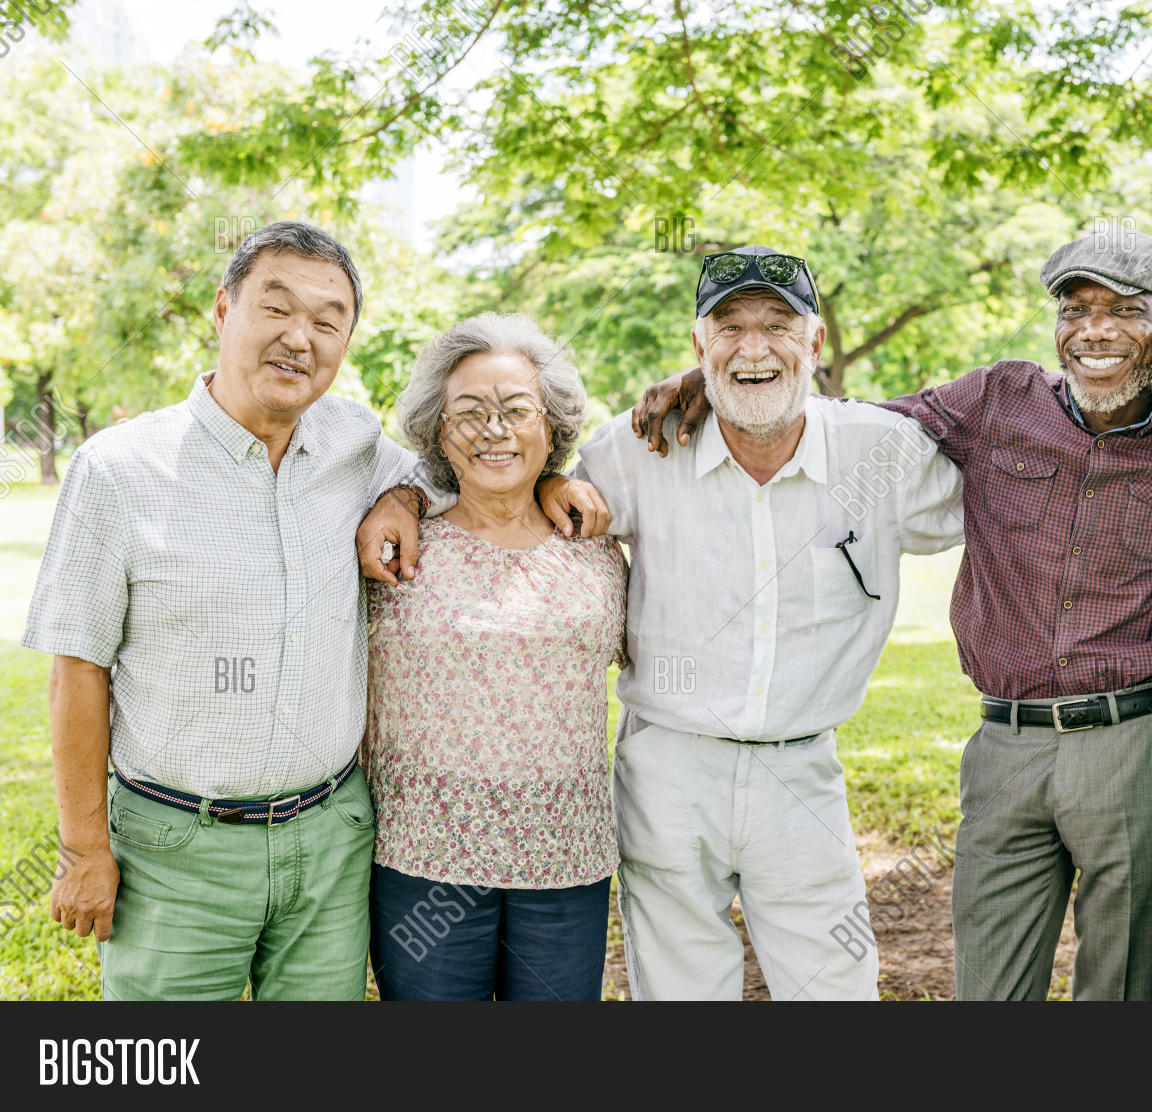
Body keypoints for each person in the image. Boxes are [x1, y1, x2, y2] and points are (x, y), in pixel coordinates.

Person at [630, 226, 1152, 1000]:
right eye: (1076, 309)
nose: (1096, 330)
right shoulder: (995, 399)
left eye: (1127, 309)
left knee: (1119, 987)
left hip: (1137, 745)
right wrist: (713, 382)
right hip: (1005, 748)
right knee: (990, 983)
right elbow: (846, 428)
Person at [354, 245, 966, 998]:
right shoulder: (642, 446)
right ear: (698, 345)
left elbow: (1005, 482)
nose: (753, 346)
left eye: (778, 325)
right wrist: (406, 495)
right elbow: (498, 464)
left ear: (813, 343)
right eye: (728, 328)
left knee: (835, 987)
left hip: (803, 767)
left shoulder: (883, 452)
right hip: (668, 768)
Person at [24, 220, 599, 999]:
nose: (302, 338)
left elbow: (464, 470)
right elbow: (77, 670)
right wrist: (84, 848)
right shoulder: (119, 470)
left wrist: (547, 482)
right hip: (175, 846)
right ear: (223, 311)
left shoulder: (354, 442)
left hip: (329, 843)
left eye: (329, 321)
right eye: (278, 308)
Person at [363, 313, 626, 1001]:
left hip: (566, 858)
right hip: (423, 859)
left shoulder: (596, 549)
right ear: (437, 431)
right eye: (469, 412)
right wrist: (401, 496)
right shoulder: (396, 546)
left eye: (515, 410)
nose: (494, 429)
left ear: (551, 427)